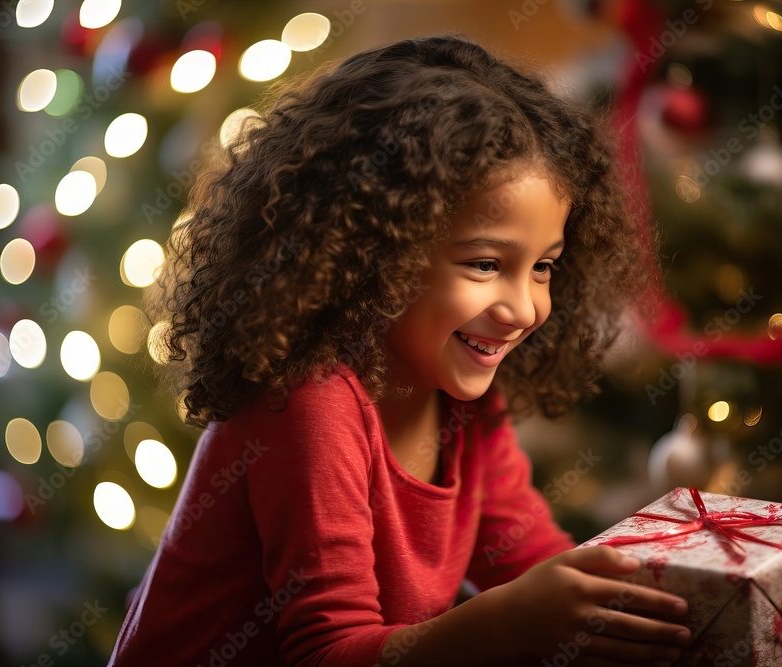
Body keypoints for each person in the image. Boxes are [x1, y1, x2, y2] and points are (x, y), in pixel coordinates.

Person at [109, 34, 693, 666]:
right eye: (485, 263)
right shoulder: (309, 406)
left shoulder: (465, 408)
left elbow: (532, 564)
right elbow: (326, 654)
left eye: (544, 267)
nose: (525, 308)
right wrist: (501, 625)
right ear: (374, 250)